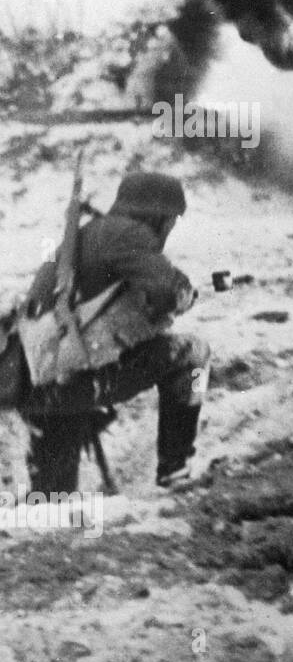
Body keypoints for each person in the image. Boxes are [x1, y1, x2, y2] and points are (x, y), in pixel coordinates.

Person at [17, 172, 210, 493]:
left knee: (52, 501)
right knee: (193, 354)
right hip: (76, 381)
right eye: (171, 221)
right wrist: (183, 294)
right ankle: (176, 469)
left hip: (36, 385)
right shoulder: (128, 235)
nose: (170, 229)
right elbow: (165, 291)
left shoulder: (82, 236)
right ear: (159, 216)